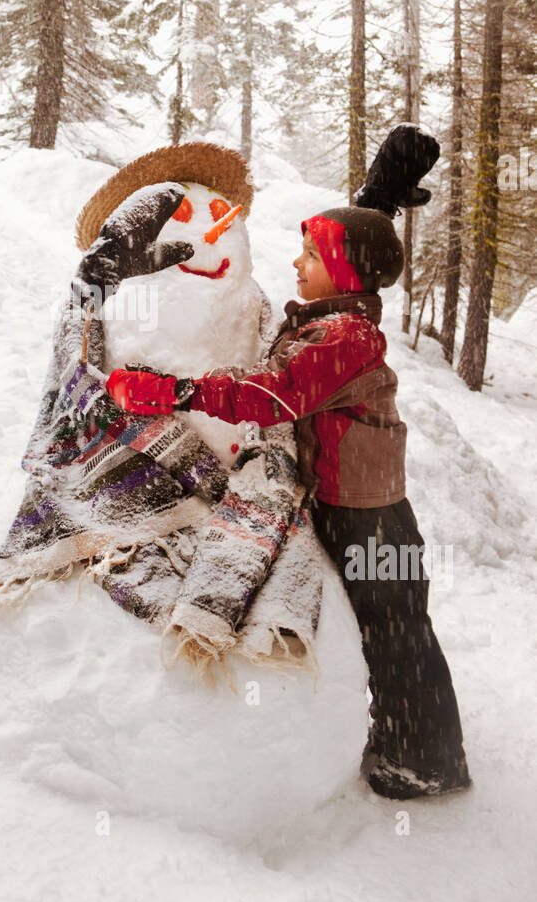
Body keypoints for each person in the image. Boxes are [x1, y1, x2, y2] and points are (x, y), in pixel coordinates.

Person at [106, 127, 472, 800]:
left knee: (395, 628)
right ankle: (413, 743)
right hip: (352, 504)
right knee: (388, 626)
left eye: (311, 254)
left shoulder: (345, 337)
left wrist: (170, 391)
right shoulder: (335, 314)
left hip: (373, 522)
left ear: (346, 273)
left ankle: (425, 759)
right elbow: (356, 254)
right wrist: (376, 202)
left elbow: (272, 393)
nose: (295, 262)